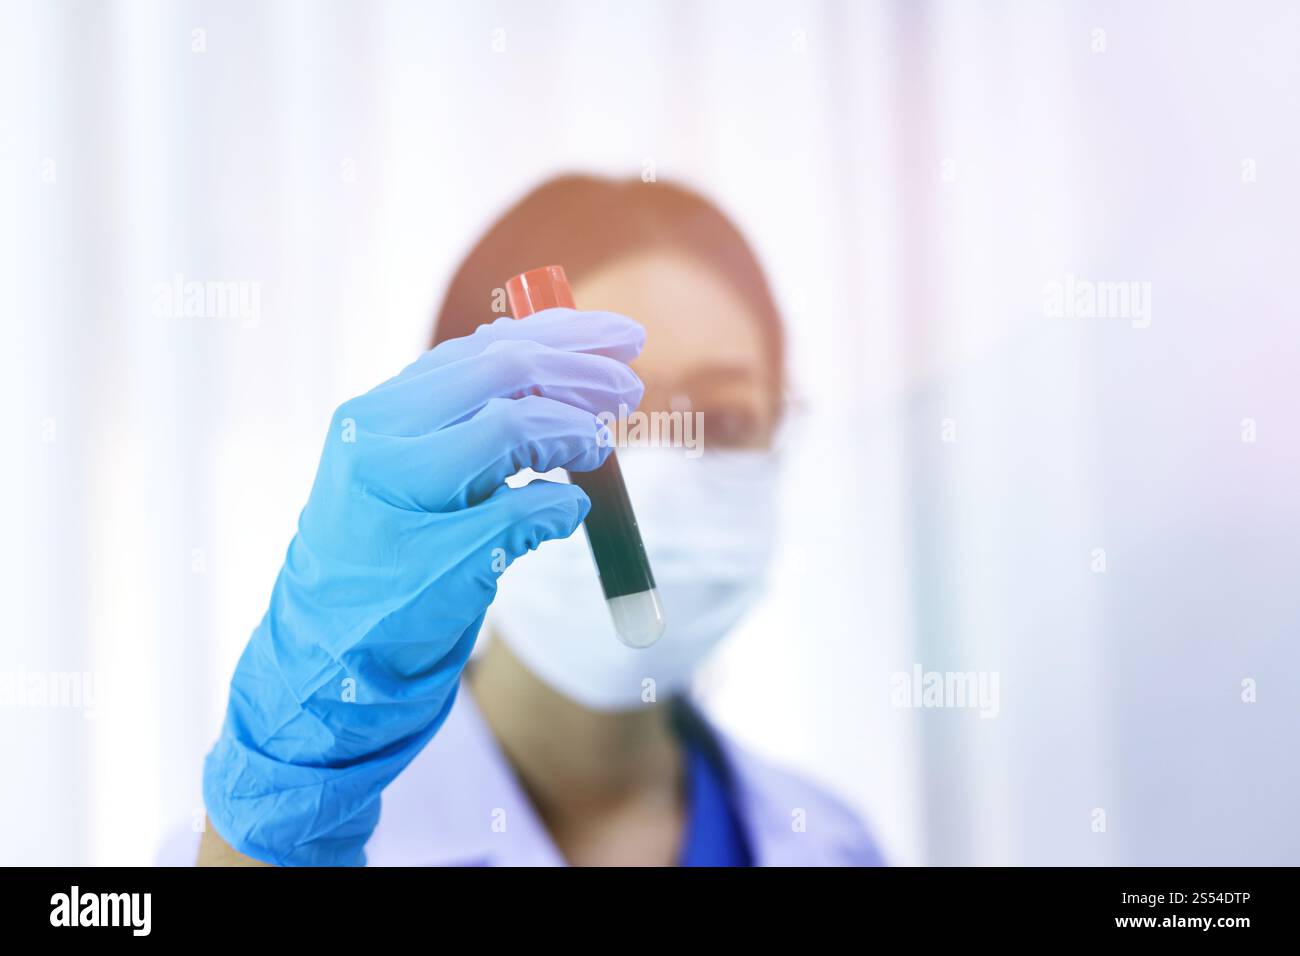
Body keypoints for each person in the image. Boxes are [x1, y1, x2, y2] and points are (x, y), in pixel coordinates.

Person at [163, 174, 883, 867]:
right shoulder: (259, 845)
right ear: (460, 441)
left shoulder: (833, 845)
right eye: (595, 413)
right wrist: (275, 822)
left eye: (721, 420)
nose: (660, 471)